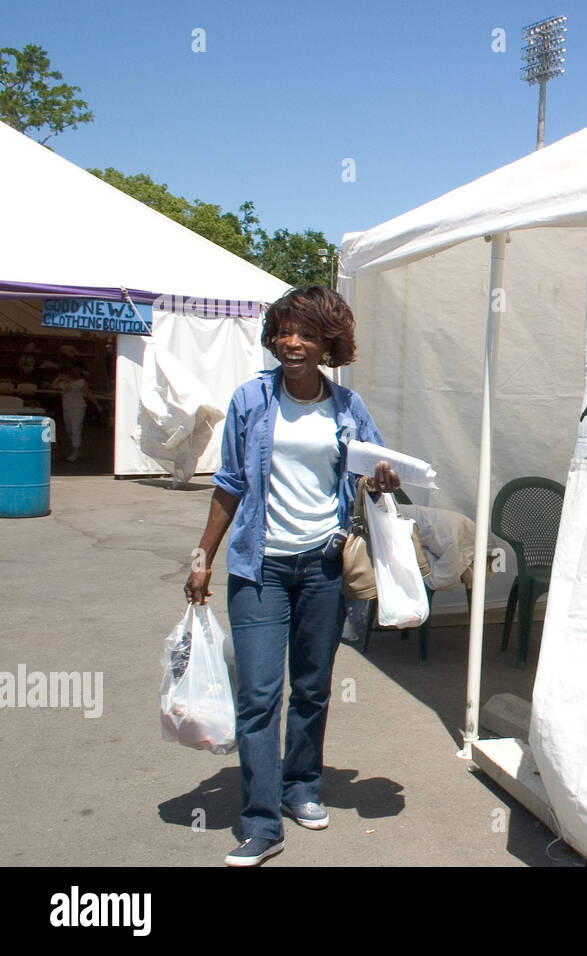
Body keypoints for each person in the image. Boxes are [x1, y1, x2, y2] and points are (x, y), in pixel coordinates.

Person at [185, 286, 400, 867]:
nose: (292, 343)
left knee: (312, 688)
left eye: (306, 333)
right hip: (260, 568)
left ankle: (302, 786)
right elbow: (230, 482)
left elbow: (375, 474)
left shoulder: (349, 408)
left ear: (330, 341)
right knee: (258, 695)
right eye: (284, 331)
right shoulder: (251, 400)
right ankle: (259, 822)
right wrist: (204, 555)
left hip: (323, 568)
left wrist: (381, 479)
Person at [51, 363, 88, 462]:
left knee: (76, 429)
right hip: (67, 408)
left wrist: (97, 405)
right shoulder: (63, 384)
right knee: (69, 430)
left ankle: (75, 452)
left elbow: (88, 393)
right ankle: (76, 449)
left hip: (78, 408)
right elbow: (53, 386)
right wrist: (58, 378)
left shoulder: (81, 382)